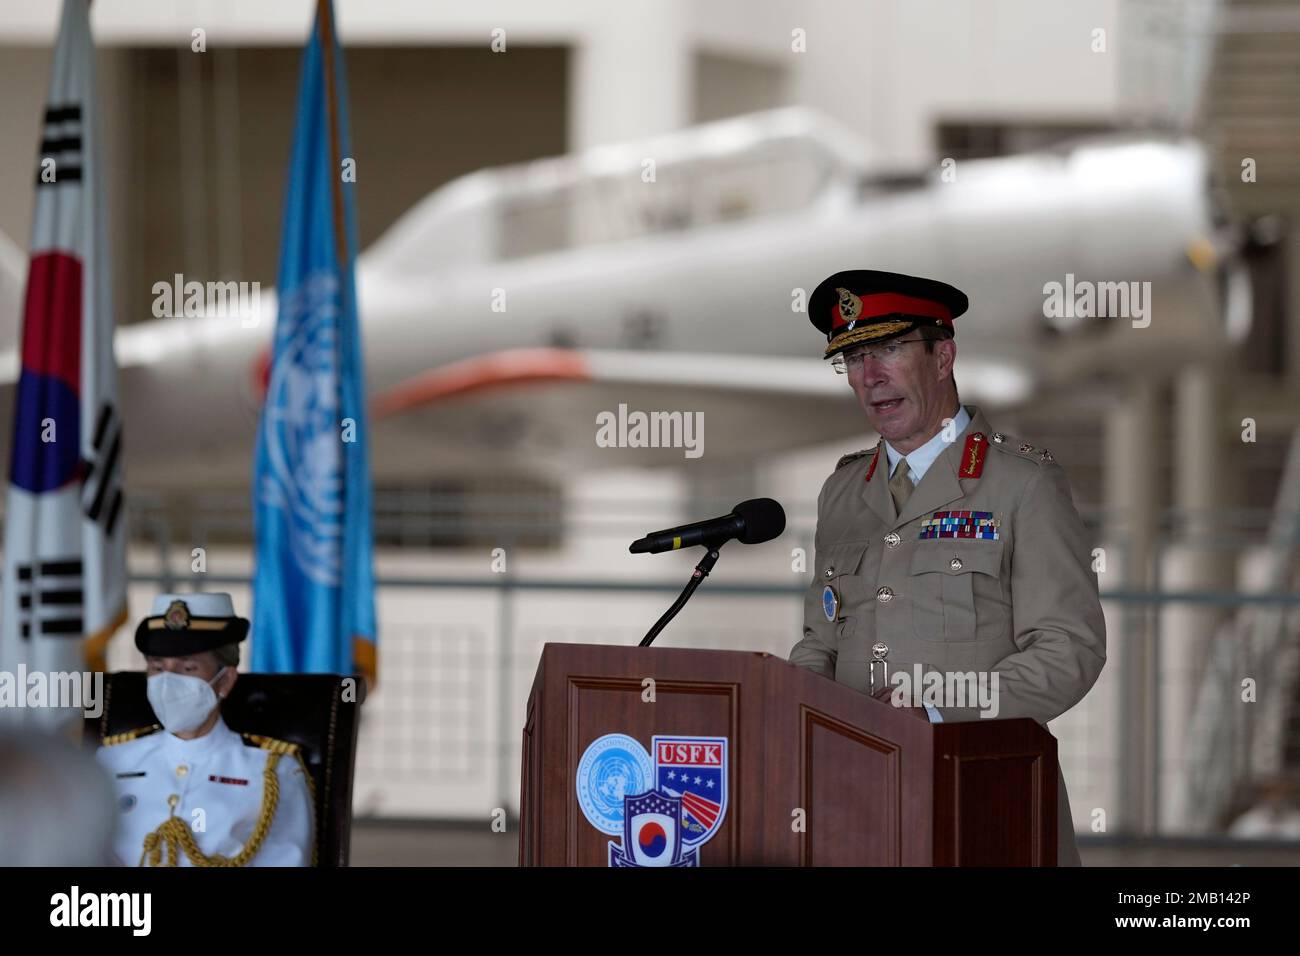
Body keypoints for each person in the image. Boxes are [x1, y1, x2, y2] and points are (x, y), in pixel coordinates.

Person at [788, 269, 1106, 866]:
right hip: (852, 804)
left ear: (943, 357)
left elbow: (1069, 652)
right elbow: (820, 643)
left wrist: (936, 708)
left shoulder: (1022, 483)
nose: (869, 376)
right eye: (853, 358)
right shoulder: (841, 491)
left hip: (981, 798)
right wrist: (786, 703)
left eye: (887, 349)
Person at [95, 592, 315, 866]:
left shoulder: (272, 772)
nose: (168, 681)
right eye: (157, 667)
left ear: (225, 681)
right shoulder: (109, 762)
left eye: (187, 668)